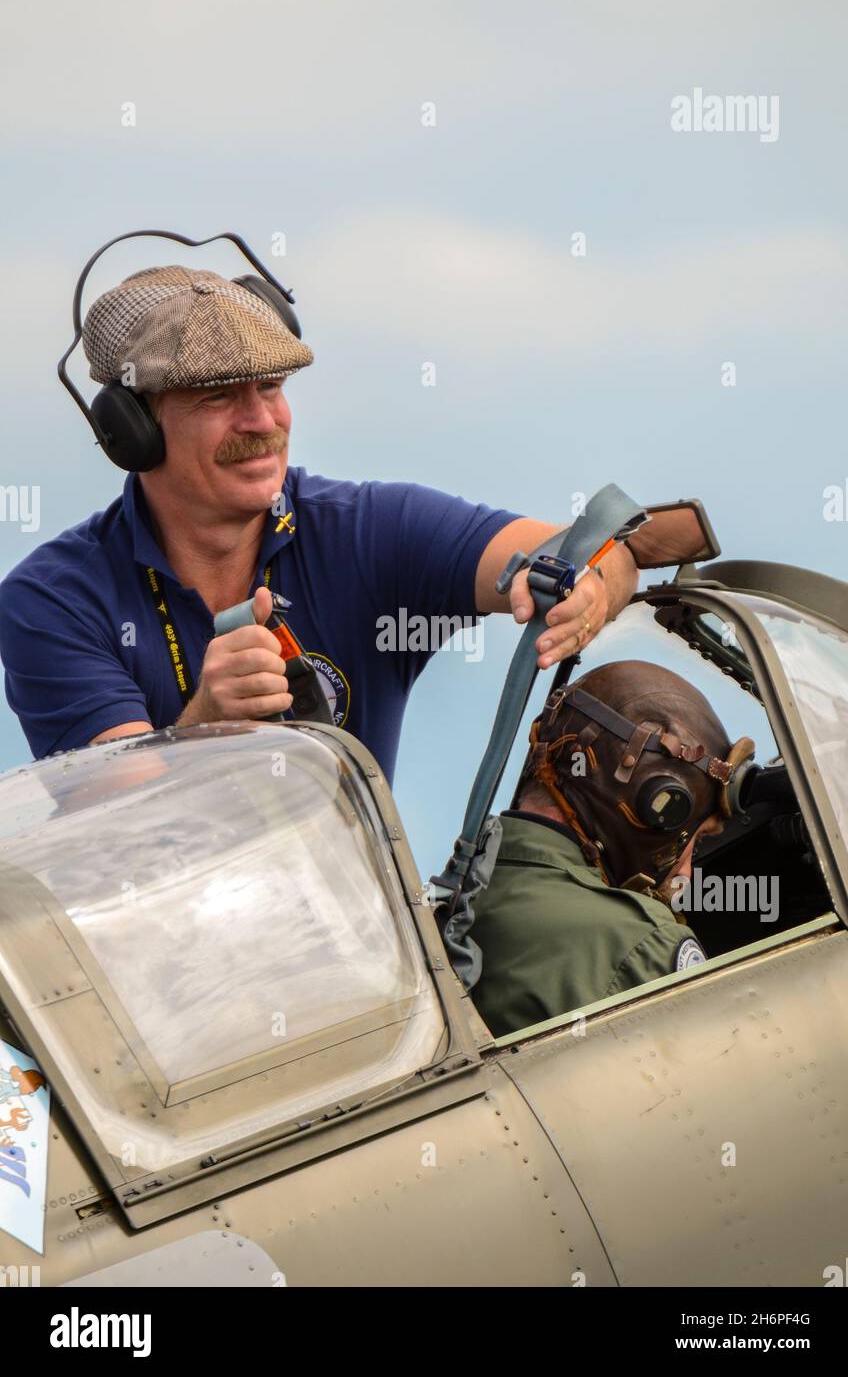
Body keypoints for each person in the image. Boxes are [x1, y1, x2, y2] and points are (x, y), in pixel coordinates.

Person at [0, 262, 639, 779]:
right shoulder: (52, 599)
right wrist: (205, 727)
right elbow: (119, 820)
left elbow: (594, 550)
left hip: (358, 905)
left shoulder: (368, 529)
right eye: (218, 396)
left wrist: (588, 590)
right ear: (132, 431)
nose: (262, 421)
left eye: (271, 387)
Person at [470, 661, 752, 1037]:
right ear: (646, 808)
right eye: (694, 840)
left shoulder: (453, 899)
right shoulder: (639, 944)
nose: (685, 873)